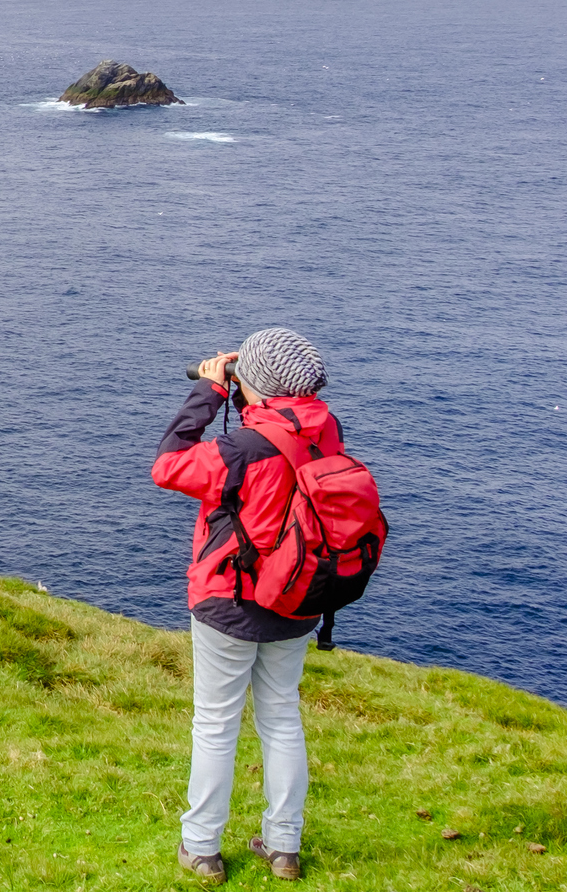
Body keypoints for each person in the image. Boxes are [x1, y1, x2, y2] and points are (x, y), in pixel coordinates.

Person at [152, 326, 337, 885]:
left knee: (215, 724)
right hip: (299, 599)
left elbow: (168, 466)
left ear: (252, 383)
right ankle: (284, 847)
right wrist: (248, 394)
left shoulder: (241, 449)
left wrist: (208, 394)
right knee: (281, 716)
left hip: (231, 601)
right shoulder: (326, 437)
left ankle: (202, 847)